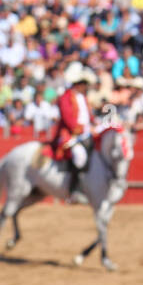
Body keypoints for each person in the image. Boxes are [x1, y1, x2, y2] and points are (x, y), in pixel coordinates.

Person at [52, 60, 97, 198]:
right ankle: (74, 189)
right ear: (78, 84)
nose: (86, 87)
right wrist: (85, 128)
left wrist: (96, 124)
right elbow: (69, 120)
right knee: (79, 155)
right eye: (84, 84)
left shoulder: (82, 97)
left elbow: (89, 116)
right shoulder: (65, 97)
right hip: (71, 135)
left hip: (86, 133)